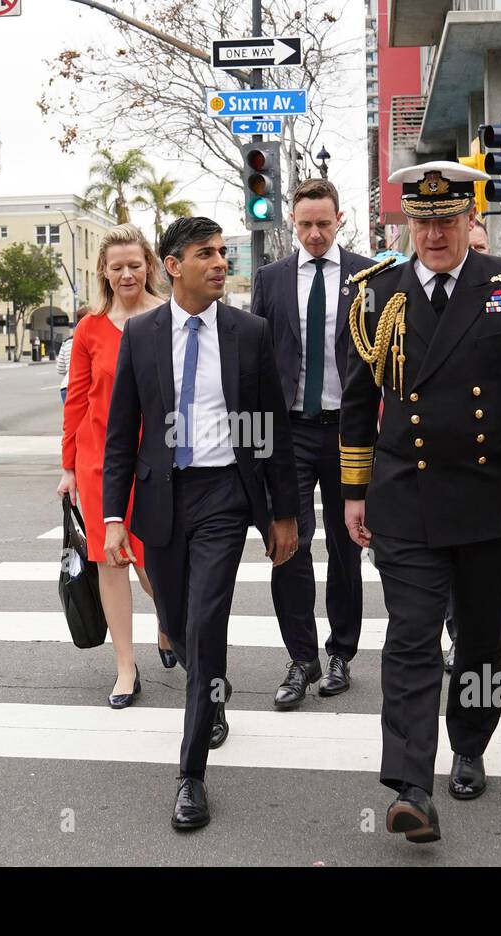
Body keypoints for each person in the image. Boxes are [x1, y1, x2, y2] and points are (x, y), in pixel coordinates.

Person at [340, 162, 501, 843]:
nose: (434, 234)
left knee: (480, 637)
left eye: (446, 220)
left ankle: (469, 742)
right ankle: (412, 784)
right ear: (405, 224)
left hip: (489, 495)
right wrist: (354, 494)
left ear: (473, 220)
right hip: (404, 492)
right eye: (421, 221)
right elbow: (357, 405)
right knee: (410, 638)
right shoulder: (376, 294)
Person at [102, 217, 299, 830]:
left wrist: (284, 513)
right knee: (175, 622)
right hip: (162, 497)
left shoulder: (249, 332)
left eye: (222, 253)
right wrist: (113, 517)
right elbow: (120, 435)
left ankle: (190, 775)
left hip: (224, 495)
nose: (219, 263)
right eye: (205, 254)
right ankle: (210, 690)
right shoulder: (141, 335)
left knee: (208, 619)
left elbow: (273, 428)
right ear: (172, 264)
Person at [251, 179, 375, 708]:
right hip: (290, 433)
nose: (315, 234)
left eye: (324, 223)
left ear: (339, 219)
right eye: (305, 225)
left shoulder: (369, 276)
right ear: (291, 223)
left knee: (348, 544)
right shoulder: (270, 279)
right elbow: (255, 360)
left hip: (349, 429)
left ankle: (342, 652)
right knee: (289, 544)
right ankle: (301, 658)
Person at [58, 226, 174, 708]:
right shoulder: (89, 326)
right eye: (116, 266)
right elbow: (77, 400)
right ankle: (126, 665)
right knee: (110, 561)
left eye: (134, 264)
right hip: (100, 461)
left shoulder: (170, 317)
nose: (126, 274)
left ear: (148, 263)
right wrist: (68, 467)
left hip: (156, 460)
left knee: (154, 563)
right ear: (103, 271)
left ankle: (169, 625)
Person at [445, 214, 492, 672]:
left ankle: (466, 635)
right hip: (425, 463)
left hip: (488, 454)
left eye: (481, 248)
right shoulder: (395, 294)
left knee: (478, 577)